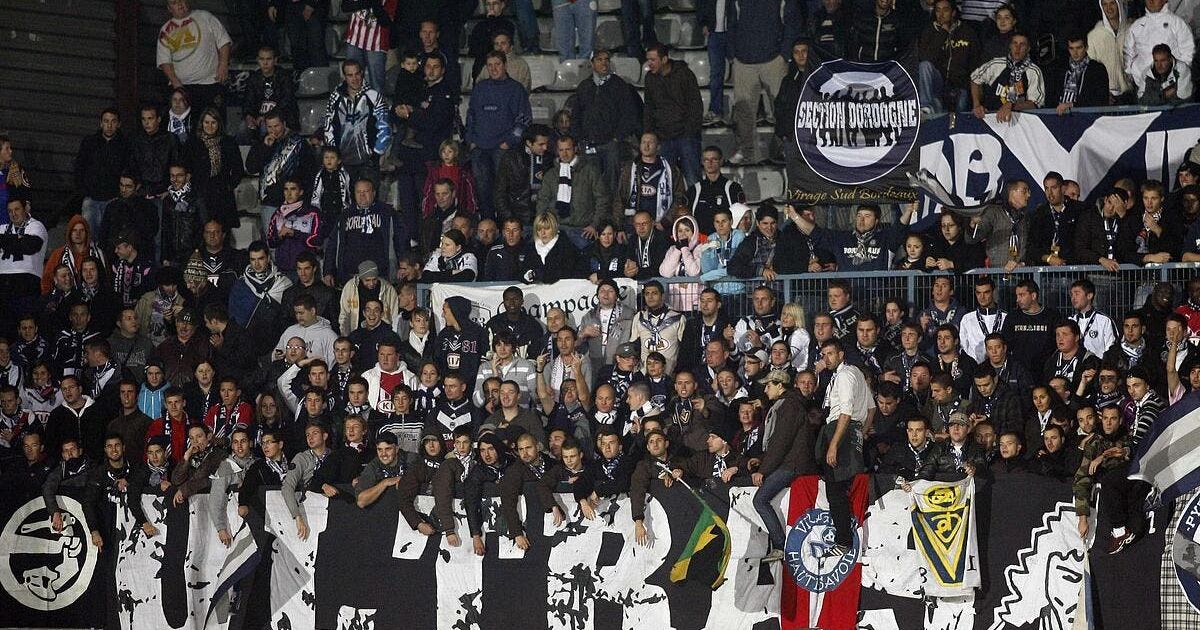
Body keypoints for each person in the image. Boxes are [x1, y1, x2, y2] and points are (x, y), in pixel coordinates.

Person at [753, 370, 817, 561]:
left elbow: (781, 442)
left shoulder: (788, 406)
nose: (765, 390)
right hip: (790, 462)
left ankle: (780, 545)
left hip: (792, 464)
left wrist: (763, 470)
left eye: (769, 385)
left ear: (780, 385)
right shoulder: (787, 404)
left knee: (760, 500)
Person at [725, 0, 796, 165]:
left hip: (774, 60)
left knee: (782, 108)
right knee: (743, 111)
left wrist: (785, 54)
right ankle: (747, 150)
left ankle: (785, 148)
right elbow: (732, 23)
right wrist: (732, 54)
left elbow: (791, 21)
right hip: (743, 60)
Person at [467, 51, 533, 219]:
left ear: (504, 65)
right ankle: (488, 228)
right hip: (480, 148)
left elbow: (524, 120)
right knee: (482, 192)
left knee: (504, 192)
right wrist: (471, 140)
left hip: (503, 149)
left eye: (497, 64)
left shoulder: (516, 89)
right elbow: (470, 116)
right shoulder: (480, 88)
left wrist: (509, 142)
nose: (494, 68)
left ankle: (507, 229)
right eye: (490, 65)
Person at [571, 50, 642, 191]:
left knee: (612, 184)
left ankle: (611, 211)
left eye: (606, 59)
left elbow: (629, 114)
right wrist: (578, 138)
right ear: (592, 64)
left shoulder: (619, 85)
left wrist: (617, 138)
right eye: (599, 59)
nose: (604, 62)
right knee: (590, 182)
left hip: (611, 144)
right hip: (588, 143)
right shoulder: (584, 86)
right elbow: (576, 115)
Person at [323, 179, 409, 285]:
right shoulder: (345, 215)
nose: (362, 195)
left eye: (366, 191)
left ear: (374, 193)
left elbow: (401, 240)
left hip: (381, 277)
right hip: (350, 277)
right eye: (358, 192)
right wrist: (328, 271)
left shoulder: (387, 213)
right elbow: (333, 244)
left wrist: (404, 266)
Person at [535, 136, 612, 250]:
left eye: (568, 149)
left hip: (582, 230)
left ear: (575, 149)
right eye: (561, 150)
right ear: (557, 151)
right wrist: (542, 227)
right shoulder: (551, 175)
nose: (564, 154)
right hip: (556, 229)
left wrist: (594, 225)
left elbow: (602, 199)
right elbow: (542, 201)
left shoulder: (590, 171)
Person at [244, 112, 316, 234]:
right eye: (269, 127)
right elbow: (251, 167)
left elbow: (309, 173)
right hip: (269, 203)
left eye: (276, 126)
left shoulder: (299, 143)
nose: (273, 130)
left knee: (296, 244)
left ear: (284, 124)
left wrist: (305, 200)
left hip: (294, 203)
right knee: (273, 245)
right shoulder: (262, 141)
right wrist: (265, 147)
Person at [157, 0, 232, 115]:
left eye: (181, 0)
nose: (180, 4)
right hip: (183, 86)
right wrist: (176, 84)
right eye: (174, 3)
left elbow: (223, 42)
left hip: (210, 83)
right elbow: (164, 61)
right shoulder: (165, 30)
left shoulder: (206, 17)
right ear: (169, 8)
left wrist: (223, 64)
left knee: (212, 120)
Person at [642, 45, 703, 184]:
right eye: (648, 60)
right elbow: (649, 108)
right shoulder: (650, 78)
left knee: (693, 179)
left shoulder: (684, 74)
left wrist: (689, 132)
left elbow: (695, 105)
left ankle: (697, 205)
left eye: (653, 60)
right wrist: (649, 133)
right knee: (664, 181)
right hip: (663, 137)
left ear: (664, 59)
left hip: (686, 137)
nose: (649, 64)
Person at [324, 59, 391, 183]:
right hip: (342, 162)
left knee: (368, 201)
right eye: (350, 75)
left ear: (362, 73)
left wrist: (375, 155)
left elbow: (385, 128)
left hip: (368, 163)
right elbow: (328, 127)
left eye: (357, 74)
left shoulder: (374, 96)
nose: (354, 78)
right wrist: (334, 155)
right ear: (344, 77)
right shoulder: (335, 97)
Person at [917, 0, 980, 114]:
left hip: (960, 86)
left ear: (953, 12)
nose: (941, 14)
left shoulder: (967, 31)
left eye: (945, 10)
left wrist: (967, 87)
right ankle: (925, 106)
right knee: (924, 66)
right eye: (937, 10)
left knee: (957, 118)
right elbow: (926, 58)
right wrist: (942, 33)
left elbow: (975, 63)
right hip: (938, 85)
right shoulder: (929, 31)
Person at [74, 108, 129, 234]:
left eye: (113, 121)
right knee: (89, 238)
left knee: (111, 238)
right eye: (106, 121)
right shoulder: (89, 142)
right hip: (91, 199)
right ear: (101, 123)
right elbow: (79, 167)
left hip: (114, 199)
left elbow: (128, 169)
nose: (109, 125)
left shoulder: (125, 145)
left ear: (119, 124)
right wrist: (83, 190)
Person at [970, 32, 1046, 122]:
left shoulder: (1033, 71)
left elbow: (1035, 104)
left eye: (1022, 44)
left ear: (1028, 49)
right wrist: (977, 105)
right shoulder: (996, 64)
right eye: (1015, 43)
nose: (1017, 48)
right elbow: (974, 79)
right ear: (1010, 46)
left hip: (1019, 122)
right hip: (991, 119)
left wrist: (1011, 105)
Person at [1125, 0, 1194, 96]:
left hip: (1174, 91)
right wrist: (1134, 75)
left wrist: (1178, 81)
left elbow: (1188, 54)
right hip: (1144, 91)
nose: (1151, 1)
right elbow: (1128, 55)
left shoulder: (1178, 24)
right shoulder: (1136, 27)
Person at [494, 126, 552, 226]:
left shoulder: (549, 158)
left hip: (543, 219)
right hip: (518, 218)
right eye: (541, 144)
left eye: (546, 144)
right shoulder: (511, 158)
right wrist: (510, 219)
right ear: (529, 143)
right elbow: (500, 192)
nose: (545, 148)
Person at [1050, 36, 1111, 112]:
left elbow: (1101, 100)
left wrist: (1073, 105)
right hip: (1059, 117)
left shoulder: (1097, 70)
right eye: (1071, 48)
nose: (1075, 53)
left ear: (1086, 47)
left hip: (1087, 118)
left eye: (1079, 48)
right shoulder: (1060, 69)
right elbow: (1051, 97)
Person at [1087, 0, 1133, 102]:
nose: (1109, 8)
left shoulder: (1132, 31)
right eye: (1105, 4)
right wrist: (1101, 92)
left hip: (1130, 94)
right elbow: (1090, 71)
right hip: (1105, 96)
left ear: (1119, 4)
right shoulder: (1094, 36)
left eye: (1112, 3)